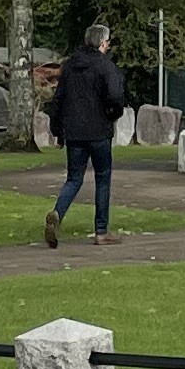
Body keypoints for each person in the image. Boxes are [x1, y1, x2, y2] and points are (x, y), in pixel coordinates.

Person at [43, 21, 128, 246]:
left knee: (73, 179)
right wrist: (113, 114)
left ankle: (57, 213)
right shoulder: (106, 67)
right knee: (102, 178)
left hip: (74, 133)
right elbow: (116, 95)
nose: (108, 46)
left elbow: (58, 99)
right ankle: (101, 231)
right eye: (107, 42)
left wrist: (57, 129)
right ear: (102, 43)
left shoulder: (70, 67)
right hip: (99, 130)